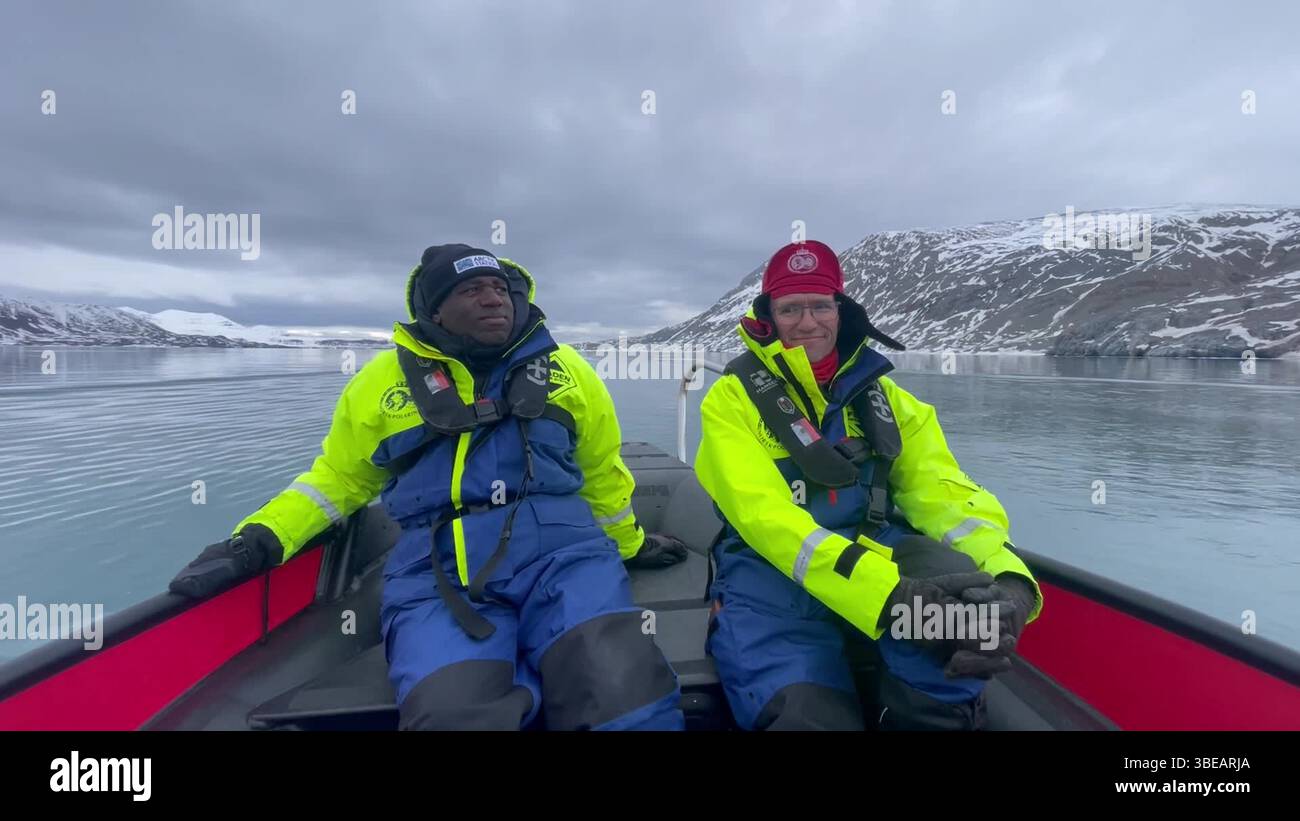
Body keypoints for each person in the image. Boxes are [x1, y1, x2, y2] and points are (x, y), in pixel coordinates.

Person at [169, 244, 689, 731]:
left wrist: (629, 546)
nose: (492, 298)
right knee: (452, 714)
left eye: (499, 288)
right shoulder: (379, 383)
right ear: (434, 310)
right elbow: (339, 480)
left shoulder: (569, 371)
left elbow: (601, 474)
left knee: (626, 695)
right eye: (471, 290)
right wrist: (258, 537)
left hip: (566, 554)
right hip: (436, 571)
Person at [694, 239, 1043, 730]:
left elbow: (944, 495)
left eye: (820, 305)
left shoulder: (893, 402)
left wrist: (1008, 578)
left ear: (841, 310)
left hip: (876, 552)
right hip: (770, 574)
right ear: (768, 317)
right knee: (803, 712)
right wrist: (891, 598)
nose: (808, 322)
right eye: (790, 308)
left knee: (961, 622)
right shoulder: (731, 402)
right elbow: (763, 518)